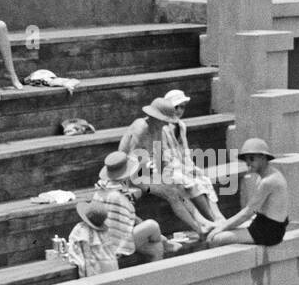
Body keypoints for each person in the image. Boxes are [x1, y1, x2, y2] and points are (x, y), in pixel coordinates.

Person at [120, 98, 215, 235]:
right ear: (155, 117)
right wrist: (147, 167)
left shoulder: (158, 130)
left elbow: (159, 158)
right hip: (130, 174)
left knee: (178, 187)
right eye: (164, 120)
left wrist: (167, 175)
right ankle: (198, 228)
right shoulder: (141, 127)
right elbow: (130, 158)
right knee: (170, 193)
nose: (166, 123)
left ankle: (202, 221)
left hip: (146, 172)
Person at [93, 151, 174, 265]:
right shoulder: (118, 195)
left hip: (107, 239)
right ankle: (164, 247)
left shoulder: (102, 189)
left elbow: (130, 219)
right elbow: (129, 223)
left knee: (157, 248)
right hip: (114, 243)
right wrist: (162, 238)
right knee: (152, 225)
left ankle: (153, 279)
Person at [207, 138, 290, 248]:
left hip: (269, 232)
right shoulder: (265, 176)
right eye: (246, 159)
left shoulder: (268, 181)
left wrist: (221, 228)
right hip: (263, 224)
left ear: (263, 157)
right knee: (221, 230)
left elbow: (248, 212)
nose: (248, 163)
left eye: (252, 159)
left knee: (216, 238)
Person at [161, 88, 226, 225]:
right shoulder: (163, 129)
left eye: (182, 107)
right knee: (190, 183)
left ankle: (218, 216)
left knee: (203, 178)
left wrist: (190, 167)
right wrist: (182, 168)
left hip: (181, 165)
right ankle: (211, 218)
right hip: (167, 168)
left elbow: (185, 150)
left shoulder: (181, 126)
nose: (179, 111)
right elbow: (165, 156)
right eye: (176, 107)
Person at [64, 201, 118, 278]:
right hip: (112, 271)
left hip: (94, 274)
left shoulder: (80, 230)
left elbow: (75, 254)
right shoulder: (107, 232)